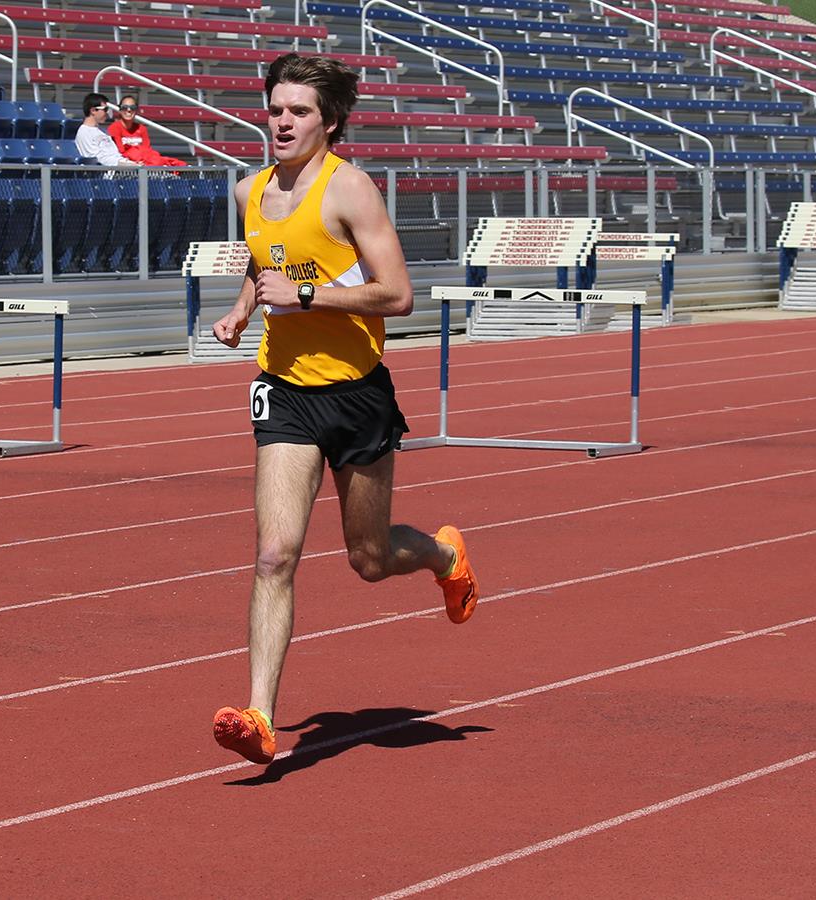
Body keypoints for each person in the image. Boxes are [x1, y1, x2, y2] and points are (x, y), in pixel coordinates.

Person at [208, 53, 481, 766]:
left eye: (299, 111)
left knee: (369, 557)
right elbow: (262, 259)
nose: (282, 122)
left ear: (329, 121)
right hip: (286, 391)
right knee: (274, 554)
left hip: (357, 393)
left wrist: (307, 298)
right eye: (275, 109)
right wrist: (242, 311)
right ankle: (261, 717)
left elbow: (398, 295)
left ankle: (445, 555)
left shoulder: (351, 191)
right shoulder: (249, 189)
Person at [106, 96, 188, 167]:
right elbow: (120, 151)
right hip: (126, 165)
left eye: (132, 108)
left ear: (136, 110)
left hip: (144, 163)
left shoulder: (142, 128)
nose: (128, 110)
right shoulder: (114, 128)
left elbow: (147, 150)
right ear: (120, 110)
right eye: (124, 107)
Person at [74, 93, 140, 169]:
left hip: (117, 169)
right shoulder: (84, 132)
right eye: (105, 110)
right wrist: (121, 164)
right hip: (103, 174)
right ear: (93, 110)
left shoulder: (103, 131)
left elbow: (114, 153)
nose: (107, 113)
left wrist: (128, 163)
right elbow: (94, 158)